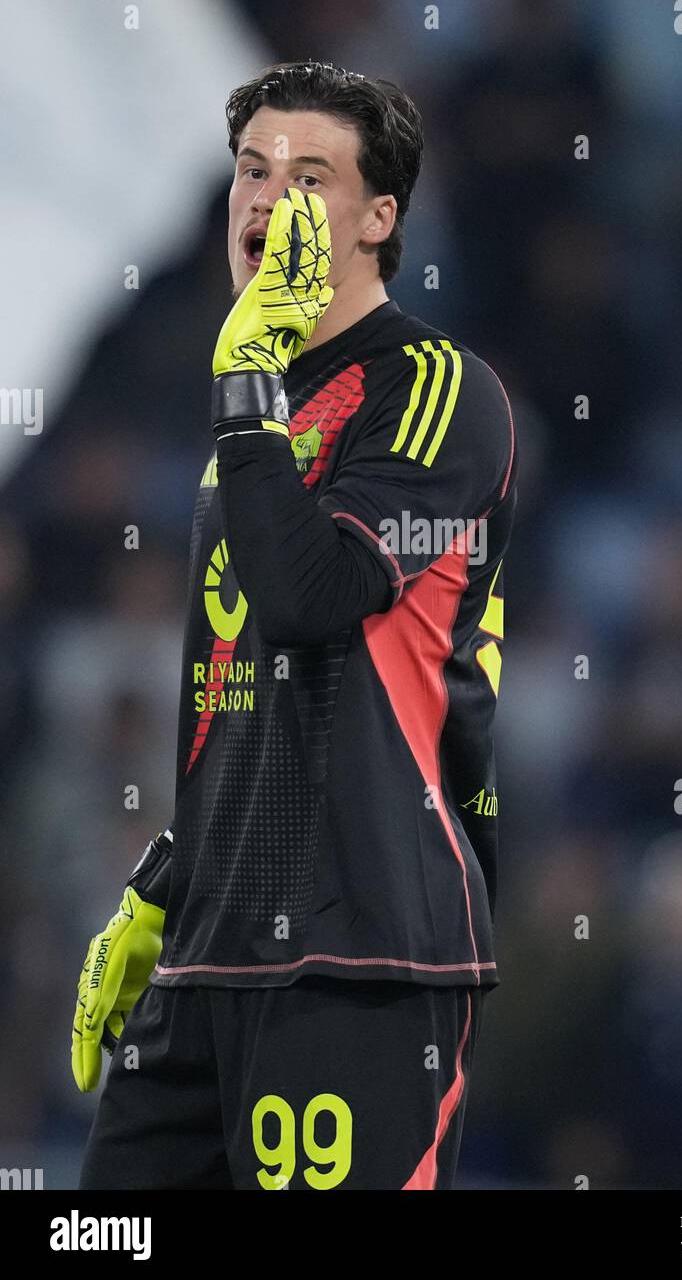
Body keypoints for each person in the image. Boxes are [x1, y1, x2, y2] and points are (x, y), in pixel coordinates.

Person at [72, 61, 518, 1190]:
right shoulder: (256, 404)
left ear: (379, 219)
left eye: (309, 177)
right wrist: (167, 878)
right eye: (250, 172)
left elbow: (312, 600)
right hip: (209, 954)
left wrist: (243, 385)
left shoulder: (434, 389)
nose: (266, 200)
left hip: (360, 956)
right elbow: (247, 687)